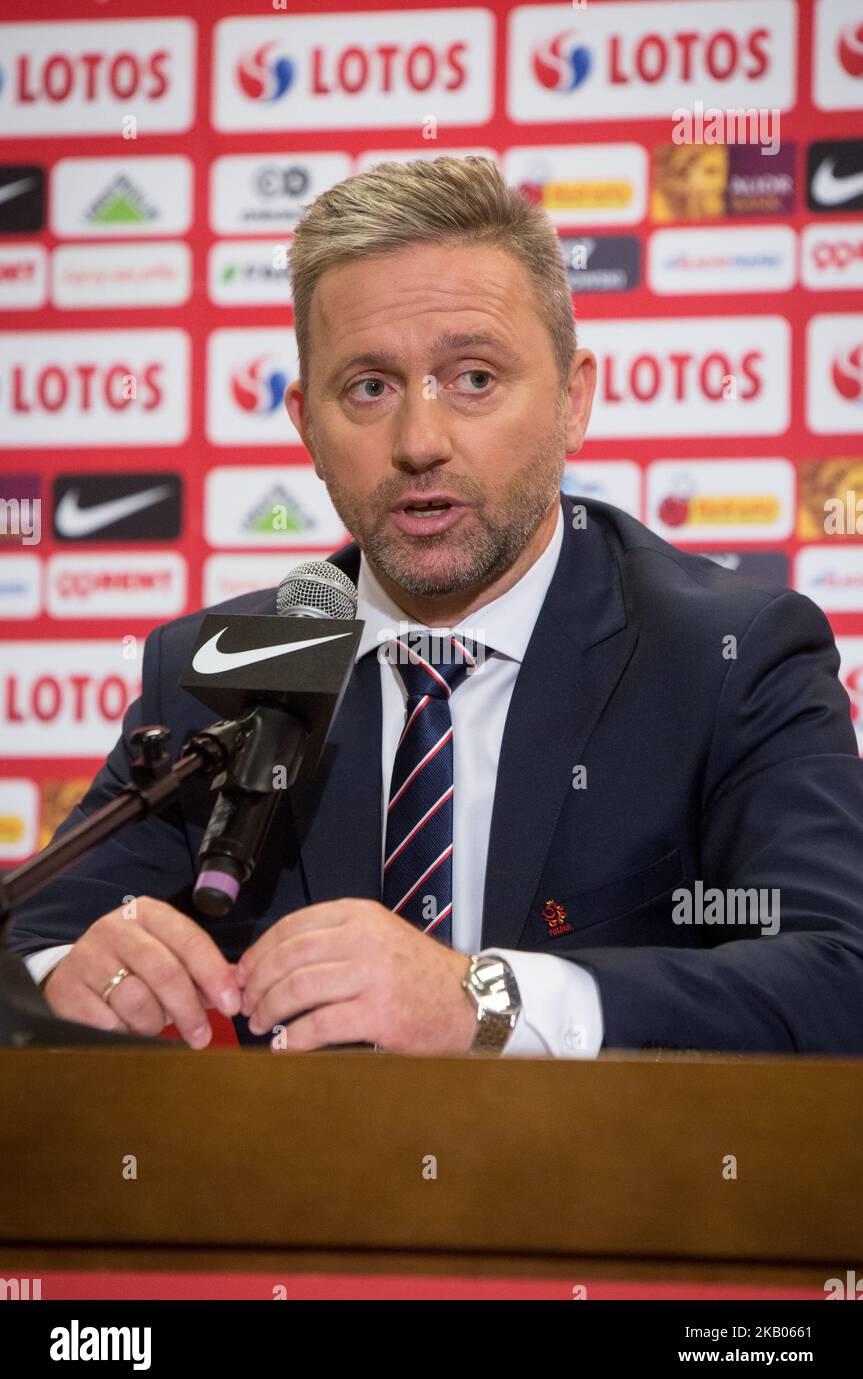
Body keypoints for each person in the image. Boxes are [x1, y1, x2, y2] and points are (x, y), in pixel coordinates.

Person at [8, 156, 863, 1056]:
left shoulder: (724, 654)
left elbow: (840, 977)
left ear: (574, 402)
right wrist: (70, 975)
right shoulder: (234, 663)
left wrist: (485, 1001)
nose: (419, 442)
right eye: (369, 388)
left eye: (475, 378)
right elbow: (32, 941)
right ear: (306, 425)